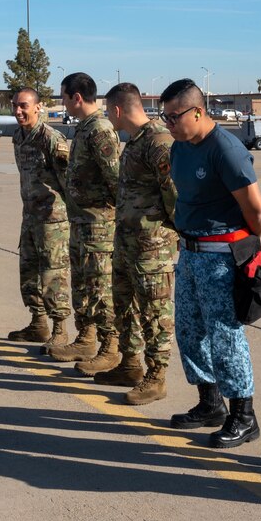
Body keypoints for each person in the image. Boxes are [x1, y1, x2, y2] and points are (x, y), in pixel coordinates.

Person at [161, 78, 261, 448]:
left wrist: (245, 249)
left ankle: (244, 414)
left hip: (221, 257)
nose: (168, 124)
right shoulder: (181, 148)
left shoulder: (225, 149)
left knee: (225, 336)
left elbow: (256, 212)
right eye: (165, 117)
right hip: (190, 254)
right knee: (189, 331)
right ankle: (210, 403)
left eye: (174, 117)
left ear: (197, 111)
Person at [93, 83, 177, 406]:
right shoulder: (135, 142)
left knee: (155, 311)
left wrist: (166, 235)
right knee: (124, 306)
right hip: (126, 242)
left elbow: (174, 195)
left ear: (117, 110)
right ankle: (130, 364)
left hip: (152, 247)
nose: (106, 116)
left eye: (107, 110)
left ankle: (156, 377)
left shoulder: (158, 142)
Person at [49, 72, 121, 372]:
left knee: (100, 287)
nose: (62, 102)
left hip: (99, 226)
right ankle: (87, 337)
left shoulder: (100, 130)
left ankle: (111, 345)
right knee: (84, 285)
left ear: (77, 97)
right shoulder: (84, 129)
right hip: (81, 222)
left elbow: (116, 179)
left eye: (63, 96)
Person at [9, 87, 72, 348]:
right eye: (15, 105)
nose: (18, 111)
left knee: (53, 275)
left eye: (23, 105)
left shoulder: (52, 139)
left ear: (38, 107)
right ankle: (38, 323)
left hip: (53, 221)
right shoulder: (18, 137)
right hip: (30, 217)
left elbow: (67, 182)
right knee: (28, 273)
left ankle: (60, 330)